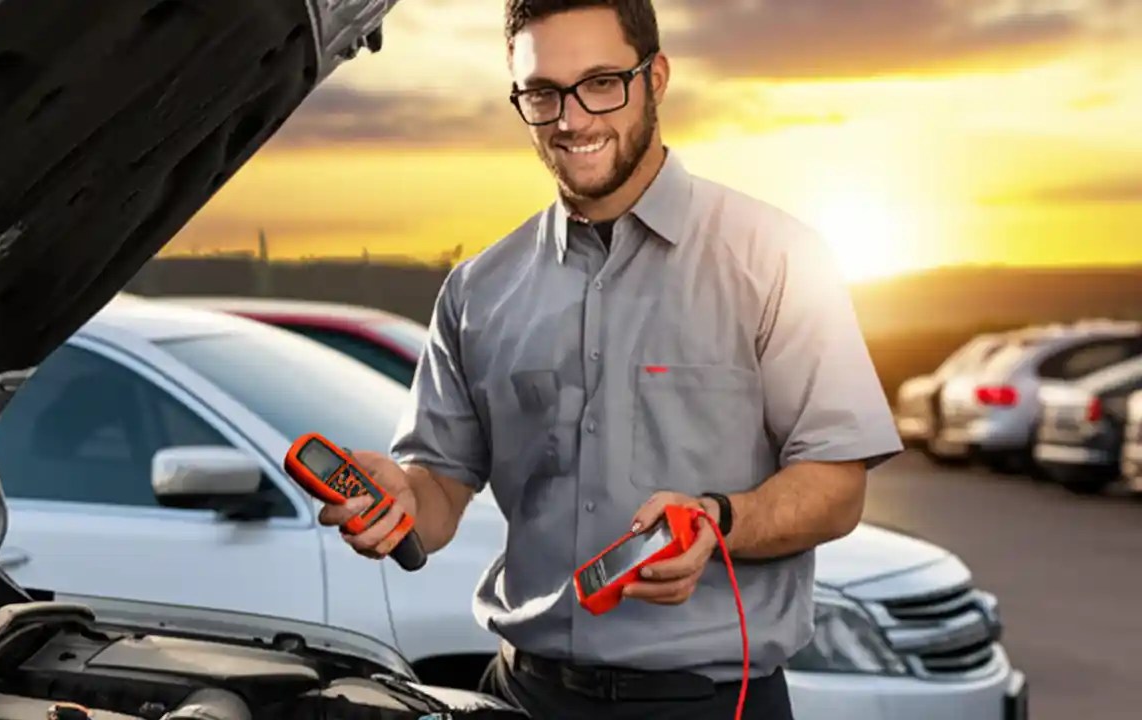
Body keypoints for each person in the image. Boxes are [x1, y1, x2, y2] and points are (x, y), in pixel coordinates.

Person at [319, 1, 904, 717]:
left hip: (709, 704)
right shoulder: (478, 290)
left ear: (655, 77)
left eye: (601, 83)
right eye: (543, 93)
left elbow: (836, 486)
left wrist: (718, 520)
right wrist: (405, 499)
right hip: (522, 696)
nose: (571, 118)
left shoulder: (779, 258)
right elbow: (440, 493)